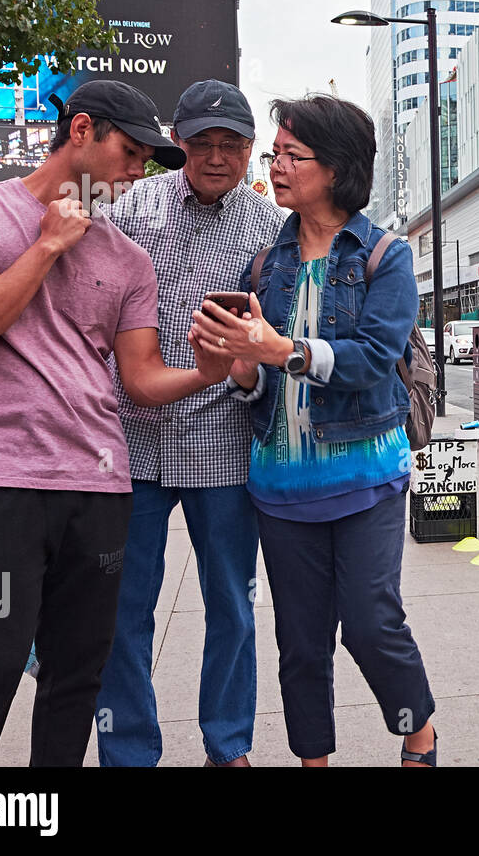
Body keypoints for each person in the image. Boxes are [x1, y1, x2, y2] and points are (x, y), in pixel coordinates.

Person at [0, 80, 235, 767]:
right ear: (80, 130)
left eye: (148, 161)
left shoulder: (127, 259)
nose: (135, 173)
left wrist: (209, 371)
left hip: (100, 493)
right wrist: (49, 246)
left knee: (76, 684)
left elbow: (141, 381)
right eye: (128, 152)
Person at [188, 95, 437, 767]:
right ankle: (312, 762)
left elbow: (372, 362)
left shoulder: (385, 257)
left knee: (370, 624)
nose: (276, 168)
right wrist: (236, 366)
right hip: (280, 488)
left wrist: (280, 351)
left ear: (337, 167)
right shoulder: (265, 267)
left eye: (290, 155)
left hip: (367, 481)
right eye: (275, 154)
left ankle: (418, 735)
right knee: (300, 645)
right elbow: (257, 381)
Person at [95, 81, 286, 768]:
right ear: (177, 141)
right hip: (132, 440)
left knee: (232, 606)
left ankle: (227, 745)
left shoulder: (269, 229)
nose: (214, 157)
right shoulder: (132, 208)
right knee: (122, 610)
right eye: (201, 142)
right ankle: (127, 751)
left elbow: (276, 341)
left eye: (229, 145)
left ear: (248, 151)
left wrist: (250, 367)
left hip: (225, 445)